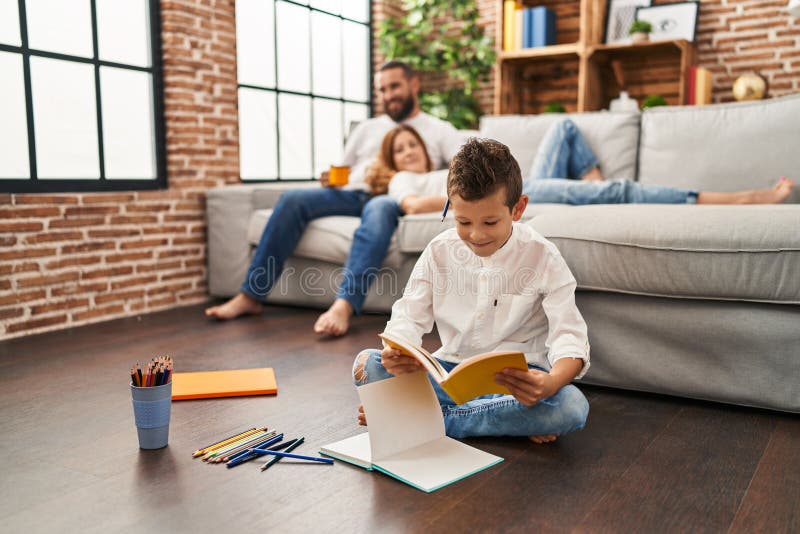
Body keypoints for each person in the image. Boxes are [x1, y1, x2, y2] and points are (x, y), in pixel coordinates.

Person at [352, 138, 591, 444]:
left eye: (490, 222)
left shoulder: (543, 256)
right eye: (463, 221)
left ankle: (417, 419)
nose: (476, 235)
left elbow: (569, 335)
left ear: (518, 209)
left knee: (571, 407)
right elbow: (408, 319)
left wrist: (549, 384)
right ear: (450, 206)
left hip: (516, 382)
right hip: (449, 373)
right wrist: (396, 353)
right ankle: (498, 421)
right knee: (365, 365)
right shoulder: (440, 250)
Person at [205, 61, 464, 336]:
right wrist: (332, 179)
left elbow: (461, 171)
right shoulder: (367, 128)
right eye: (383, 90)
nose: (389, 95)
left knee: (377, 211)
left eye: (394, 86)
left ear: (414, 84)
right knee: (293, 200)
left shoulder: (439, 129)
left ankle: (343, 305)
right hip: (353, 193)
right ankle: (251, 295)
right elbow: (344, 168)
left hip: (392, 197)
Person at [523, 118, 795, 204]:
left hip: (519, 186)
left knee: (564, 127)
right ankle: (742, 198)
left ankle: (596, 188)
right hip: (511, 193)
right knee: (620, 191)